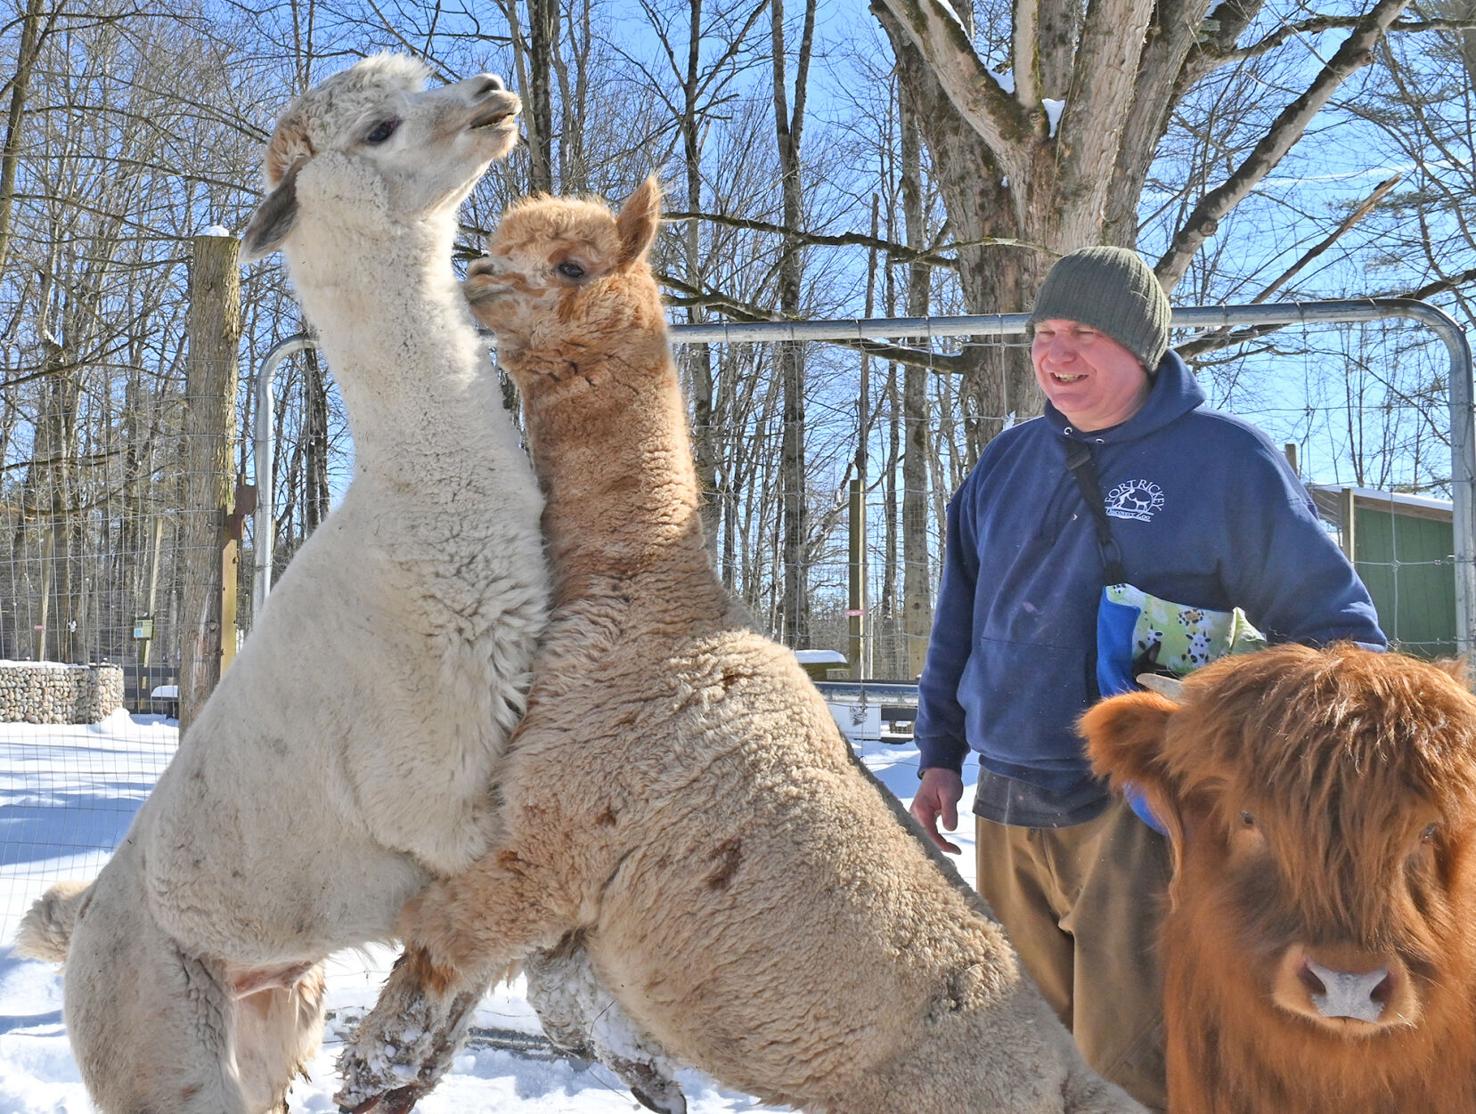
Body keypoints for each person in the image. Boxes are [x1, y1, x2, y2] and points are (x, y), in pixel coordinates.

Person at [909, 245, 1385, 1110]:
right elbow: (960, 620)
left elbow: (1340, 640)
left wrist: (1237, 732)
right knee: (1022, 1055)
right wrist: (939, 751)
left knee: (1126, 1065)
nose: (1057, 353)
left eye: (1084, 332)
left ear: (1141, 345)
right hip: (1007, 801)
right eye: (1044, 333)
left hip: (1141, 813)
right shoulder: (1005, 465)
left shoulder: (1226, 462)